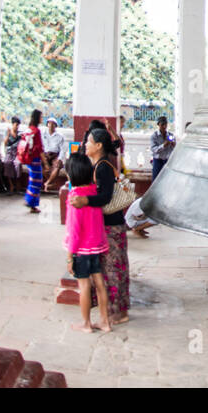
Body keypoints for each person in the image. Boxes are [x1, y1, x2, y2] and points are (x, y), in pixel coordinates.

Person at [69, 127, 131, 325]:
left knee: (113, 272)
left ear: (98, 146)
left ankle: (118, 314)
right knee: (109, 271)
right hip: (107, 226)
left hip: (112, 227)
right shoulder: (97, 165)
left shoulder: (103, 167)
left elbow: (105, 197)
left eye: (88, 141)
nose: (85, 144)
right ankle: (112, 313)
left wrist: (85, 201)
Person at [64, 150, 111, 333]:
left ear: (72, 174)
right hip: (96, 247)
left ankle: (86, 324)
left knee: (84, 286)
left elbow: (74, 231)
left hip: (81, 250)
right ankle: (105, 322)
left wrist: (70, 256)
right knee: (99, 284)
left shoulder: (75, 198)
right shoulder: (93, 193)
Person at [20, 110, 45, 214]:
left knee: (32, 180)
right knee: (37, 181)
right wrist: (46, 163)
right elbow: (39, 149)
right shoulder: (36, 131)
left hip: (28, 159)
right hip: (35, 159)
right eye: (41, 116)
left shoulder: (28, 130)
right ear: (37, 118)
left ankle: (30, 201)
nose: (42, 118)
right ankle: (31, 203)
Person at [41, 117, 65, 193]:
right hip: (45, 155)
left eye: (53, 124)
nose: (51, 125)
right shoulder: (43, 134)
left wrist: (60, 158)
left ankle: (47, 183)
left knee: (57, 166)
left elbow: (62, 149)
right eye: (49, 123)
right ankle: (51, 182)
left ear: (55, 125)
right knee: (39, 165)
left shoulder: (60, 136)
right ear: (47, 124)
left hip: (55, 155)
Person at [2, 116, 23, 193]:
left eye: (18, 125)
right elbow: (5, 143)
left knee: (18, 164)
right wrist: (7, 135)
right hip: (9, 152)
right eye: (16, 125)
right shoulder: (7, 132)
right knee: (7, 163)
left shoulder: (19, 134)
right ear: (12, 124)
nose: (17, 127)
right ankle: (11, 184)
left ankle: (17, 184)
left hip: (17, 153)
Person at [150, 116, 175, 181]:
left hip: (167, 161)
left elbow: (174, 148)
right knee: (156, 180)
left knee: (167, 181)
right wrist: (163, 145)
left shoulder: (170, 135)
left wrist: (173, 144)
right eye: (162, 125)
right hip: (158, 161)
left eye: (165, 124)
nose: (164, 126)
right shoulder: (154, 136)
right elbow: (154, 150)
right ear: (158, 125)